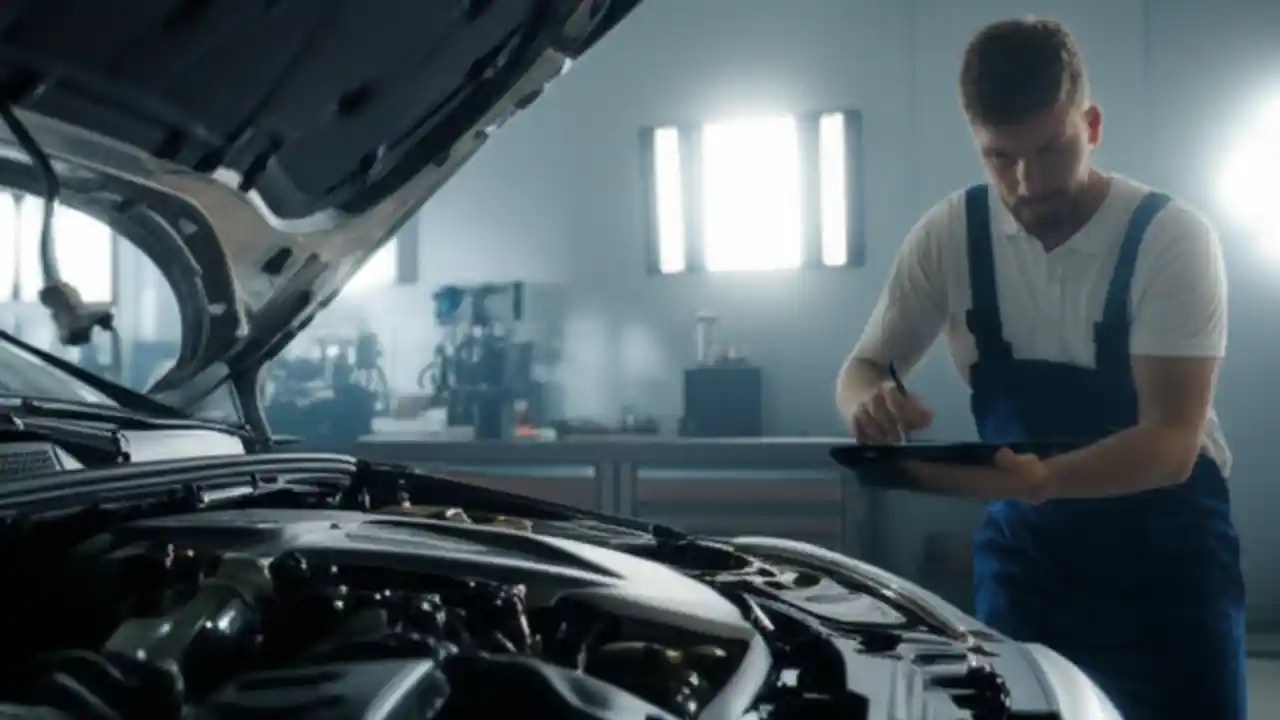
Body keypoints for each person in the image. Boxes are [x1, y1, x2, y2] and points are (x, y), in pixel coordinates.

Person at [834, 17, 1245, 720]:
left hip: (1170, 564)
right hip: (1033, 567)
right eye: (1000, 158)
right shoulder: (950, 237)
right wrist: (869, 400)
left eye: (1050, 149)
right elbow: (864, 366)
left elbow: (1172, 443)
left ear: (1091, 123)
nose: (1027, 185)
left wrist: (1045, 480)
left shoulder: (1171, 238)